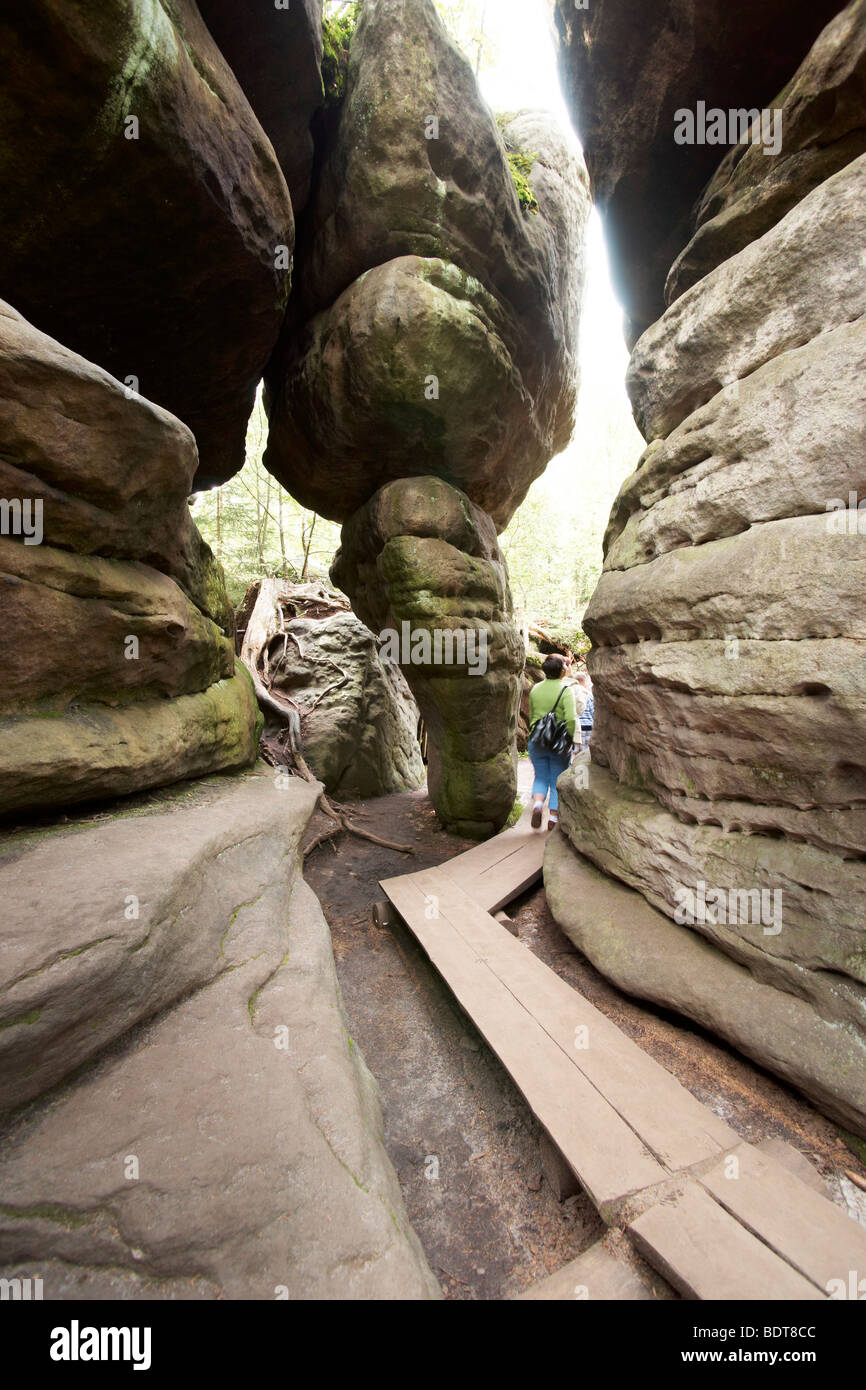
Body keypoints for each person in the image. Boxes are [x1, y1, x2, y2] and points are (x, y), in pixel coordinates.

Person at [527, 655, 586, 830]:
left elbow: (532, 714)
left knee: (540, 777)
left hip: (537, 740)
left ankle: (537, 806)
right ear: (562, 670)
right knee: (555, 781)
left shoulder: (535, 689)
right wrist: (568, 741)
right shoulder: (566, 689)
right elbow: (570, 718)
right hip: (558, 743)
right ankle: (553, 819)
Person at [576, 670, 594, 750]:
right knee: (586, 749)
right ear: (584, 681)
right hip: (589, 725)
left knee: (575, 750)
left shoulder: (573, 692)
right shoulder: (589, 694)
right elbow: (593, 710)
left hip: (578, 726)